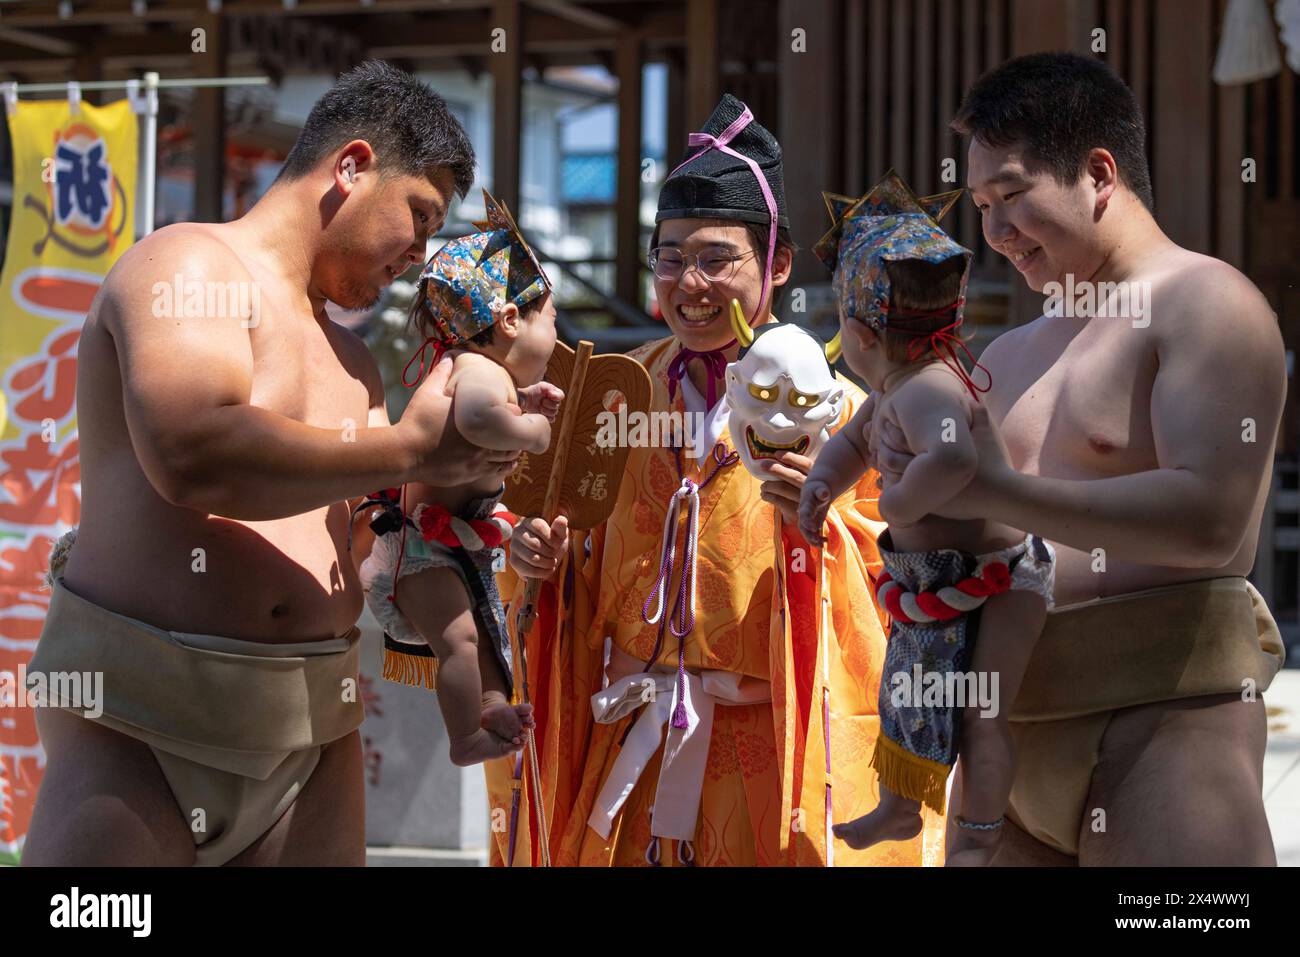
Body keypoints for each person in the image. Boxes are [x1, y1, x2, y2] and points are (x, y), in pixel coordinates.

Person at [22, 61, 516, 867]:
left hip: (311, 732)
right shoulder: (187, 266)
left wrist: (481, 522)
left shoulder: (355, 362)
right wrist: (409, 448)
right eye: (418, 216)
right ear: (352, 167)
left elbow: (382, 541)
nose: (420, 255)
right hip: (140, 724)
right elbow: (194, 454)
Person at [491, 94, 945, 866]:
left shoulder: (848, 417)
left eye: (715, 258)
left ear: (776, 263)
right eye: (669, 258)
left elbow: (906, 574)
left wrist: (826, 524)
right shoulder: (614, 391)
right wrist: (537, 557)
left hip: (774, 748)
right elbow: (566, 547)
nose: (688, 282)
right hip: (630, 733)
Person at [873, 52, 1286, 865]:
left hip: (1164, 723)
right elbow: (963, 521)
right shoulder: (1006, 351)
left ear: (1098, 172)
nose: (993, 231)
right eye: (982, 206)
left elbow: (1209, 520)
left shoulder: (1207, 302)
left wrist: (999, 487)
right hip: (1006, 741)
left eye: (1013, 196)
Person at [799, 170, 1053, 866]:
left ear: (857, 330)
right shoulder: (893, 386)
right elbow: (852, 441)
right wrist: (824, 480)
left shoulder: (932, 387)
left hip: (1000, 578)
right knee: (908, 694)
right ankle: (900, 804)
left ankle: (977, 837)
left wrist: (902, 499)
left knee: (980, 712)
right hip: (931, 582)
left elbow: (955, 460)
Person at [356, 191, 562, 767]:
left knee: (483, 639)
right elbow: (475, 418)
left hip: (445, 544)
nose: (556, 334)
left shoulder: (479, 369)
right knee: (461, 642)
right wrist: (533, 432)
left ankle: (491, 705)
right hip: (419, 548)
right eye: (551, 319)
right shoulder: (477, 368)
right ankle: (464, 737)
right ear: (510, 319)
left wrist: (519, 402)